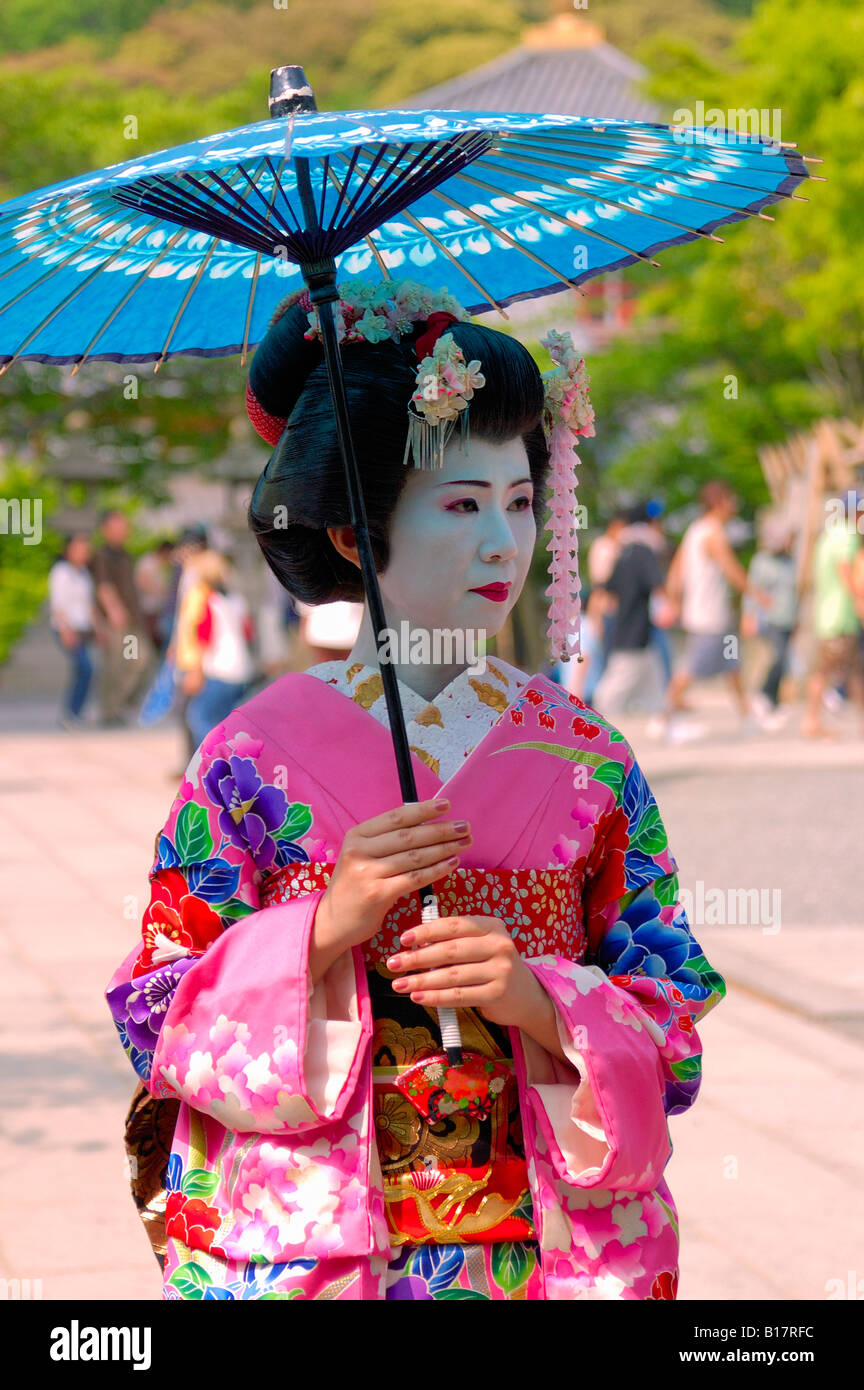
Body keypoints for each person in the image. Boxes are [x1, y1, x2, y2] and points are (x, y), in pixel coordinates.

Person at [106, 278, 724, 1301]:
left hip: (537, 1237)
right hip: (327, 1238)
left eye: (522, 502)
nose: (503, 542)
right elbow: (155, 1005)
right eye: (463, 503)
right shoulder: (249, 755)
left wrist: (539, 996)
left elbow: (671, 1020)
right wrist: (321, 927)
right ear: (354, 531)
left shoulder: (589, 759)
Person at [662, 481, 769, 737]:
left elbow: (677, 569)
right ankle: (664, 718)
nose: (734, 505)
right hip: (707, 615)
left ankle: (747, 718)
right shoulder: (713, 532)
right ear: (720, 502)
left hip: (711, 614)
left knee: (732, 665)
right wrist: (756, 593)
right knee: (691, 668)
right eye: (730, 499)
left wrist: (673, 600)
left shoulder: (694, 531)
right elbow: (730, 568)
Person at [593, 503, 667, 716]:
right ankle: (594, 722)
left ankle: (662, 720)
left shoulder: (623, 552)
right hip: (636, 628)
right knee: (617, 684)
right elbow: (655, 582)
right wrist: (667, 605)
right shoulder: (644, 550)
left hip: (625, 625)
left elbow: (608, 586)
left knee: (653, 677)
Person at [801, 496, 864, 738]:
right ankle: (811, 721)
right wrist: (860, 603)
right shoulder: (847, 537)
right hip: (840, 616)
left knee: (852, 671)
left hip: (827, 614)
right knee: (828, 671)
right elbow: (847, 575)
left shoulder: (829, 534)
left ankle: (814, 720)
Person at [90, 510, 157, 727]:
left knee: (140, 661)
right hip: (117, 622)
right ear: (106, 529)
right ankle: (109, 711)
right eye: (119, 526)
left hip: (133, 621)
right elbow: (103, 586)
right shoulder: (102, 555)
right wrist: (114, 610)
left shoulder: (125, 554)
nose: (124, 530)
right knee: (117, 666)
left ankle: (121, 704)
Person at [184, 550, 256, 748]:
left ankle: (210, 761)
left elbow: (204, 640)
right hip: (241, 668)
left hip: (220, 669)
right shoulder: (236, 600)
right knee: (224, 721)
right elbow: (249, 633)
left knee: (199, 717)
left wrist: (196, 672)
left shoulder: (210, 601)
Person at [741, 513, 798, 728]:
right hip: (770, 618)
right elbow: (752, 590)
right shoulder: (762, 561)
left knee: (786, 663)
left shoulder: (790, 561)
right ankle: (763, 695)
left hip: (788, 618)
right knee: (778, 658)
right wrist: (748, 617)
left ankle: (773, 702)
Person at [48, 532, 98, 728]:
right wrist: (66, 631)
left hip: (83, 629)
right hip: (67, 629)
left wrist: (99, 628)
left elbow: (88, 605)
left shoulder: (84, 574)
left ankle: (75, 712)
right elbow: (58, 605)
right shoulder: (61, 572)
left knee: (84, 670)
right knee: (85, 668)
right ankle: (70, 713)